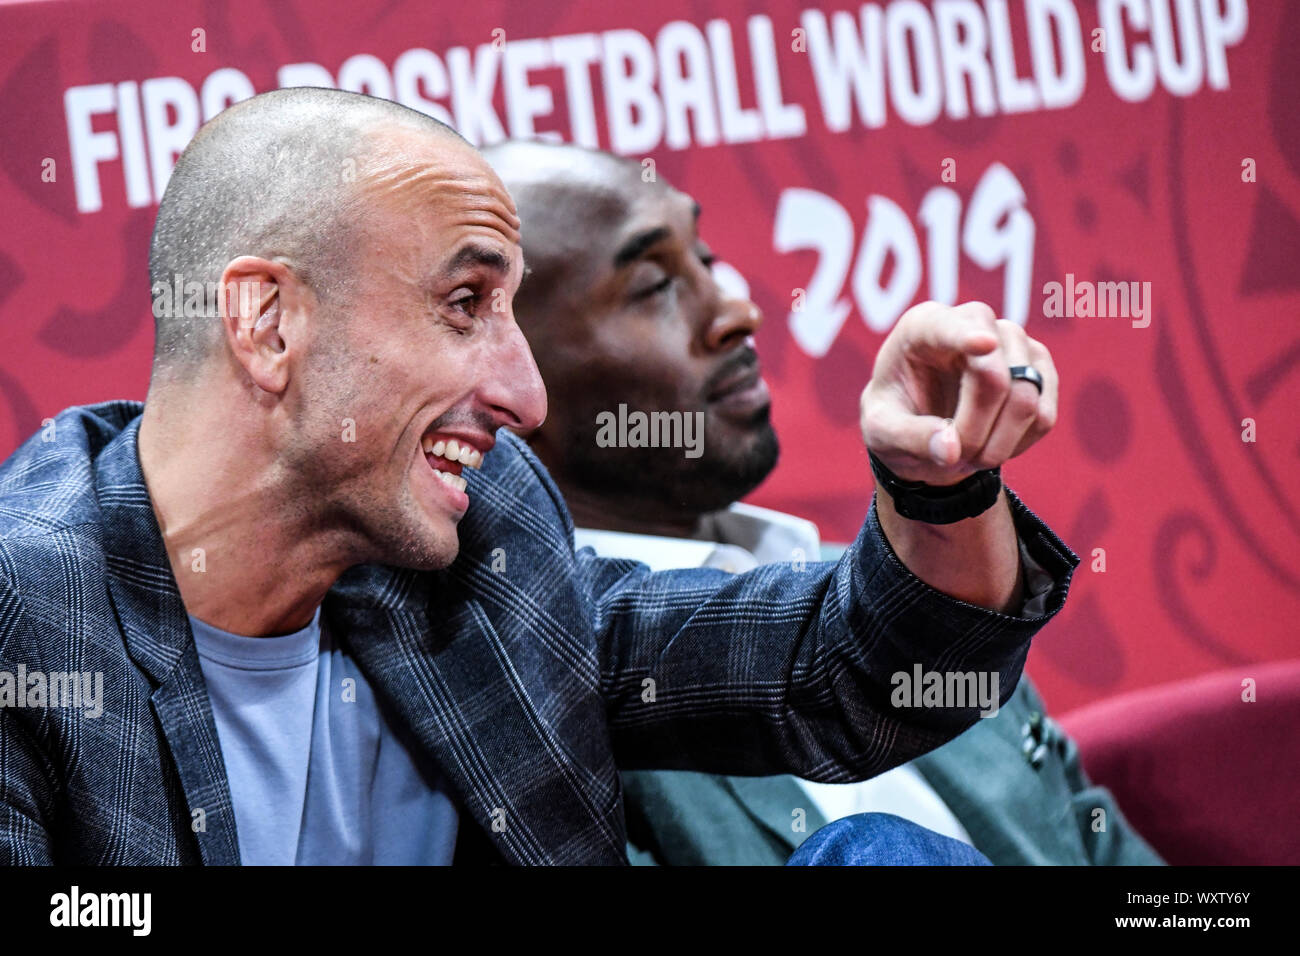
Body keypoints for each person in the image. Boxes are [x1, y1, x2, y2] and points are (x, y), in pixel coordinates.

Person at [0, 89, 1075, 866]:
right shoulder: (28, 616)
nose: (523, 393)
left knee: (878, 857)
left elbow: (836, 672)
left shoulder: (480, 542)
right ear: (267, 320)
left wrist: (938, 481)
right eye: (465, 304)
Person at [487, 139, 1157, 865]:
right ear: (509, 380)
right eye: (655, 285)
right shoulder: (543, 703)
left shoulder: (900, 594)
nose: (737, 310)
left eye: (705, 259)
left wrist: (940, 492)